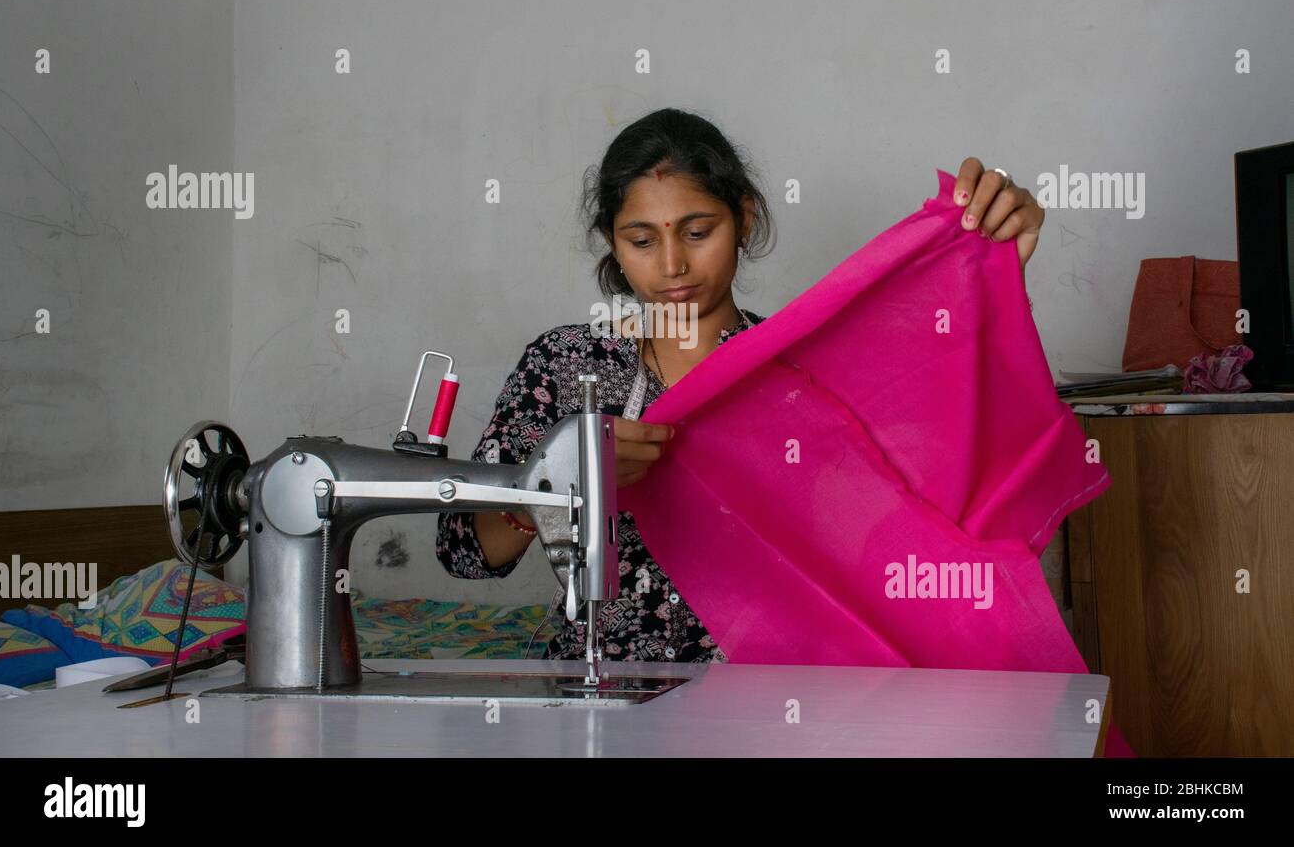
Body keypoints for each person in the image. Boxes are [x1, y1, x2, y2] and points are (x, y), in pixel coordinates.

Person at [436, 107, 1046, 662]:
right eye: (642, 240)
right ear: (612, 244)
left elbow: (929, 487)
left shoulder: (802, 370)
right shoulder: (567, 365)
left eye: (698, 232)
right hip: (603, 687)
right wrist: (561, 480)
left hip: (771, 695)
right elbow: (466, 552)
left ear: (744, 217)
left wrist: (983, 270)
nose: (672, 265)